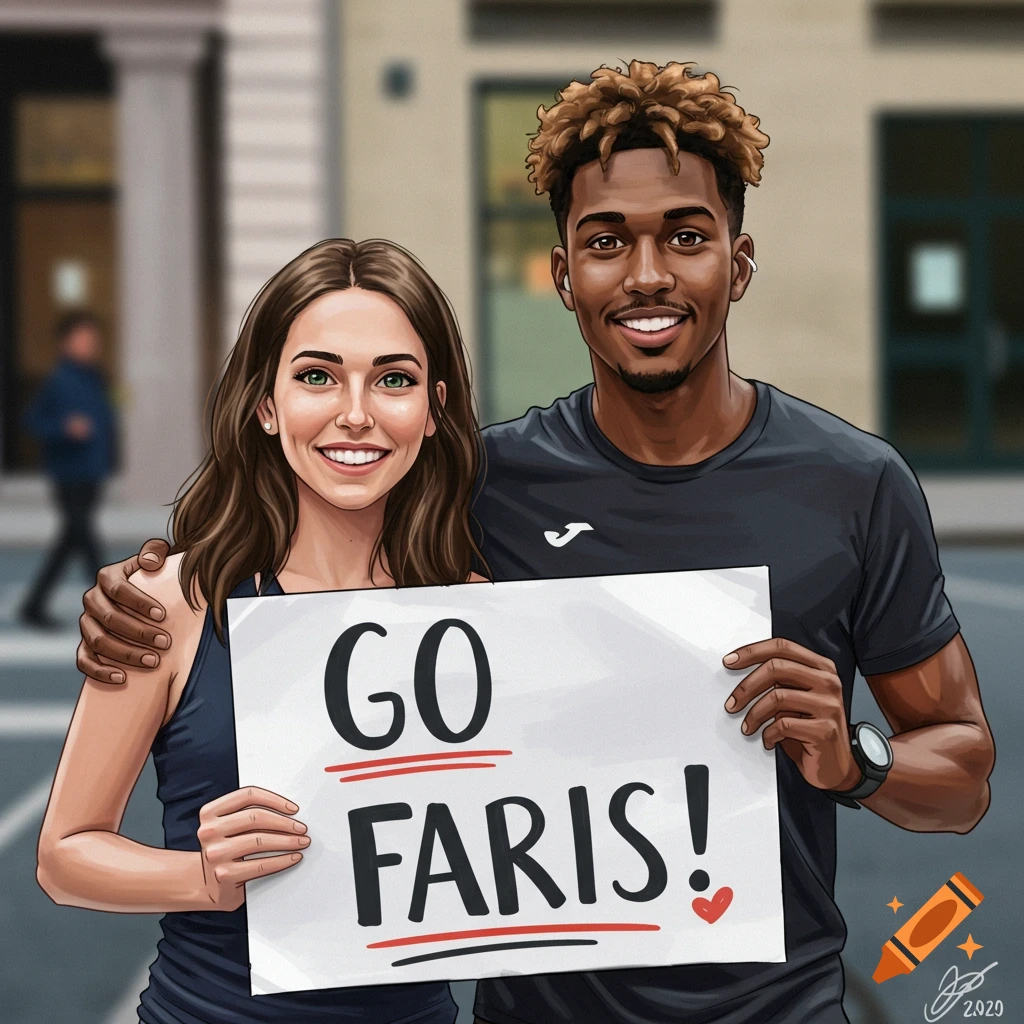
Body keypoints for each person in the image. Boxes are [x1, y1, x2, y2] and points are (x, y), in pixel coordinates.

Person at [73, 62, 995, 1024]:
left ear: (741, 261)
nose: (647, 275)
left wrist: (857, 761)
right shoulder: (479, 484)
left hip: (781, 1006)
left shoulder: (855, 483)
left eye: (686, 236)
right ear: (563, 274)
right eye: (606, 242)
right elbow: (311, 517)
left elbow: (962, 771)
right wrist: (149, 588)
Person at [37, 239, 487, 1024]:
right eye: (317, 376)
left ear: (434, 407)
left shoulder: (480, 610)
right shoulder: (169, 603)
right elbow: (65, 854)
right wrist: (202, 880)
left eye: (394, 379)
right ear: (266, 405)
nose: (356, 412)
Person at [20, 311, 116, 629]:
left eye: (93, 340)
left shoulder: (96, 378)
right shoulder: (57, 380)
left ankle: (33, 605)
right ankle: (109, 608)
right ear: (66, 343)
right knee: (85, 538)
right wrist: (65, 427)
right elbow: (32, 421)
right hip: (68, 473)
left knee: (71, 540)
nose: (90, 345)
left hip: (92, 471)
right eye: (83, 339)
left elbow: (106, 421)